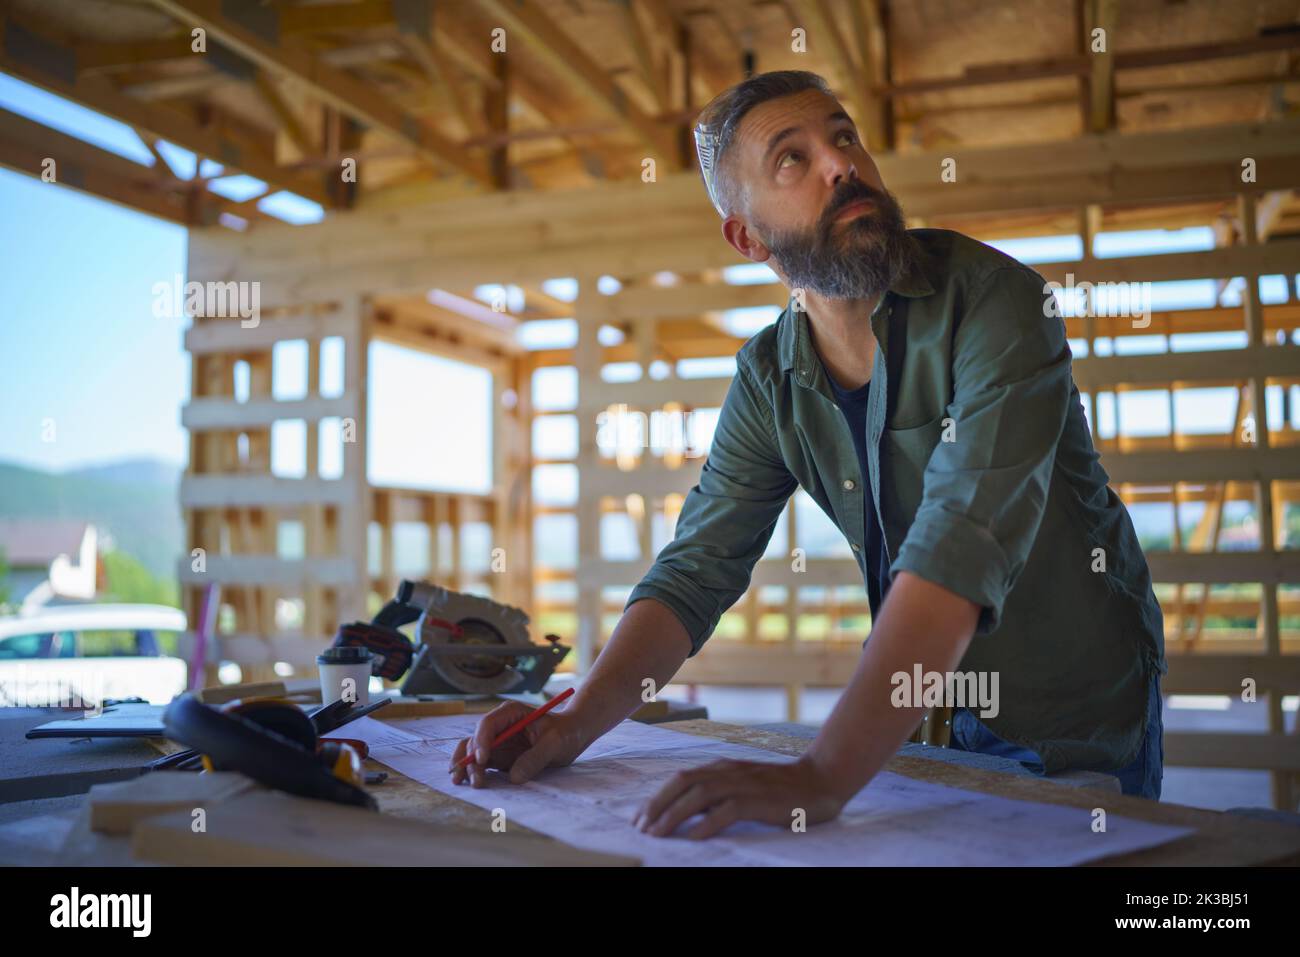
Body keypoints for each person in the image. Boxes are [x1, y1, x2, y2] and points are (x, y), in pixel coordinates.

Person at [448, 70, 1167, 839]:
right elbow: (695, 571)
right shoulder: (768, 379)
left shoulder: (999, 304)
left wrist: (822, 774)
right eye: (792, 158)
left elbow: (962, 542)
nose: (840, 164)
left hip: (1074, 717)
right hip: (923, 720)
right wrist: (570, 724)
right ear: (749, 237)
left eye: (844, 135)